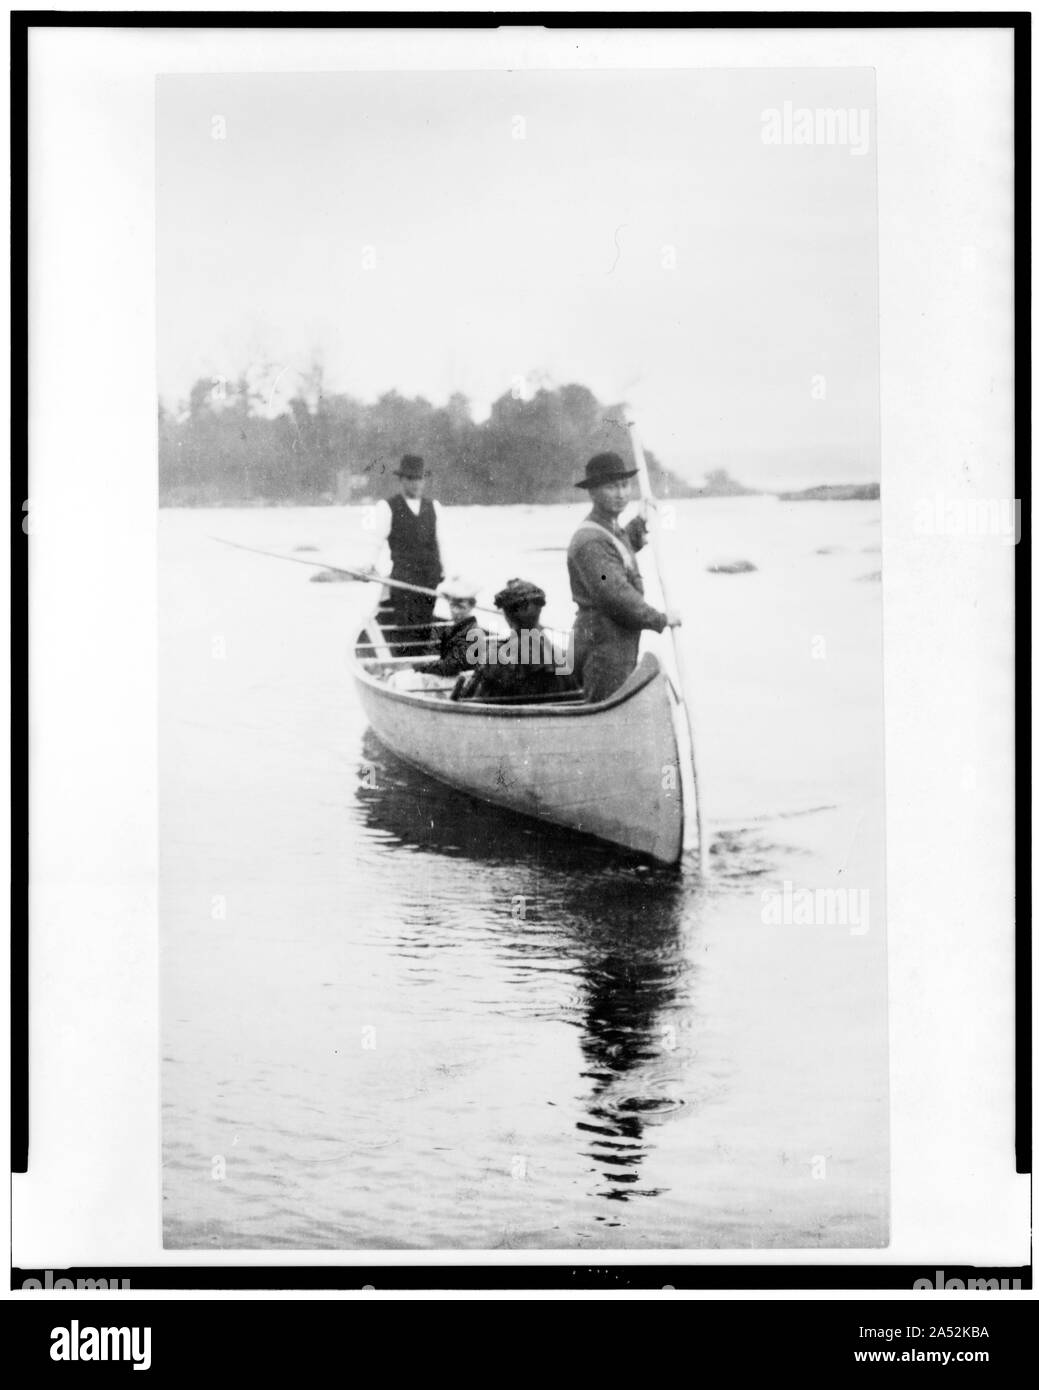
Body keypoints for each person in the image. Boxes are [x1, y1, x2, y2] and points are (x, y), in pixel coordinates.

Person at [567, 452, 681, 702]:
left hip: (616, 642)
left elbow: (620, 550)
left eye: (624, 485)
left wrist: (640, 523)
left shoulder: (609, 528)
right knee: (605, 712)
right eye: (611, 487)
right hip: (602, 645)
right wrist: (660, 619)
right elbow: (614, 594)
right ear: (593, 492)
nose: (620, 493)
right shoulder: (590, 541)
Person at [364, 455, 448, 654]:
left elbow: (441, 543)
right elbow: (376, 542)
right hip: (404, 577)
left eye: (419, 479)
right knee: (406, 625)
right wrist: (368, 565)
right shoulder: (388, 507)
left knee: (425, 623)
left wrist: (447, 572)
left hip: (430, 577)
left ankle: (423, 662)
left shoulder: (433, 507)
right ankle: (406, 665)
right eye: (411, 479)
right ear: (401, 480)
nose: (416, 484)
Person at [457, 578, 578, 701]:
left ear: (507, 617)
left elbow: (474, 701)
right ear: (539, 612)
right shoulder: (559, 657)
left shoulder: (496, 658)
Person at [414, 577, 486, 678]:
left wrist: (422, 668)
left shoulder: (473, 633)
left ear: (471, 606)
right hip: (450, 676)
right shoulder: (455, 629)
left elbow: (452, 666)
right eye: (452, 606)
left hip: (458, 681)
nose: (455, 612)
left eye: (461, 607)